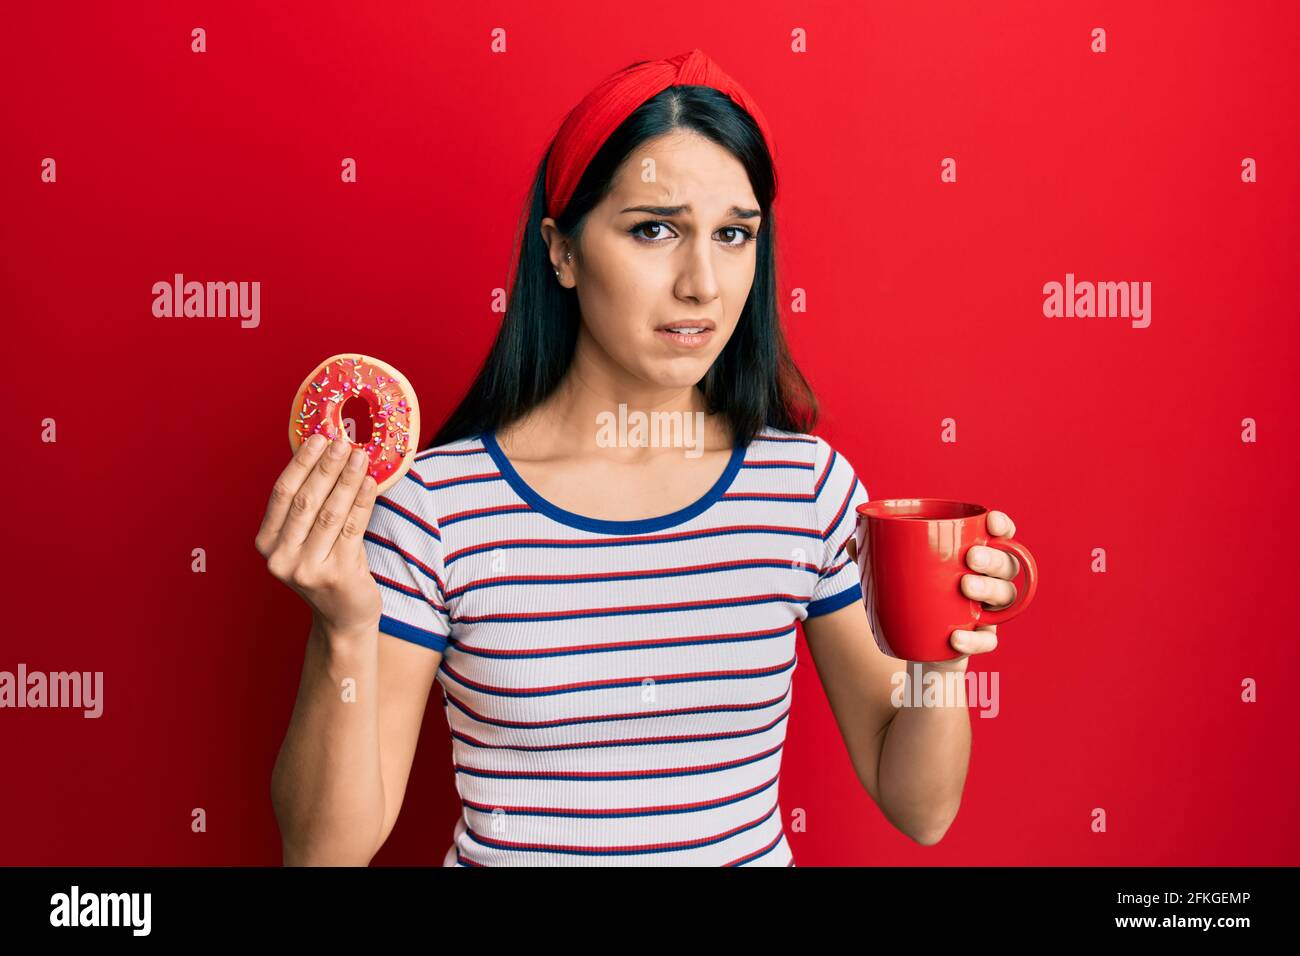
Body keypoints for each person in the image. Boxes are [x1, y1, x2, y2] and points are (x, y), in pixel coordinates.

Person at [261, 49, 1019, 867]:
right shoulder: (436, 509)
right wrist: (341, 631)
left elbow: (920, 808)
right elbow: (323, 854)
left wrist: (939, 649)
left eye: (734, 234)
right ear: (562, 250)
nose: (702, 283)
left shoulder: (808, 492)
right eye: (654, 229)